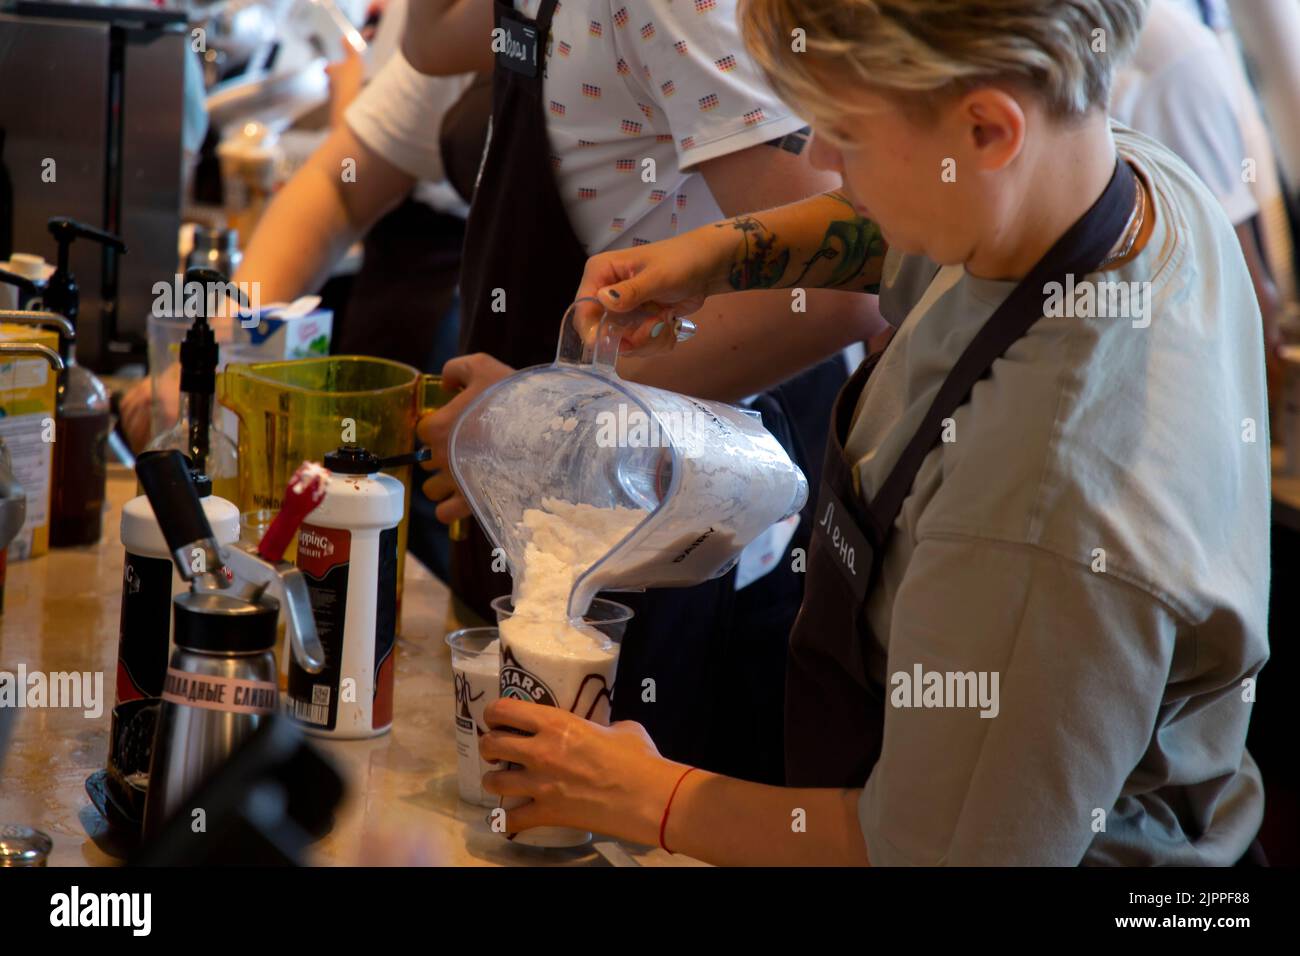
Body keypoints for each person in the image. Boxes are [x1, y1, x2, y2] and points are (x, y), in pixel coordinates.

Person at [477, 0, 1270, 865]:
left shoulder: (1042, 513)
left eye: (845, 131)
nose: (818, 158)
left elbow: (928, 853)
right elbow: (904, 227)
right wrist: (720, 253)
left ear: (988, 130)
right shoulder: (1131, 183)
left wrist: (641, 795)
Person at [405, 0, 885, 784]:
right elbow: (430, 44)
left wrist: (541, 418)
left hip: (674, 516)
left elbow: (835, 293)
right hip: (554, 486)